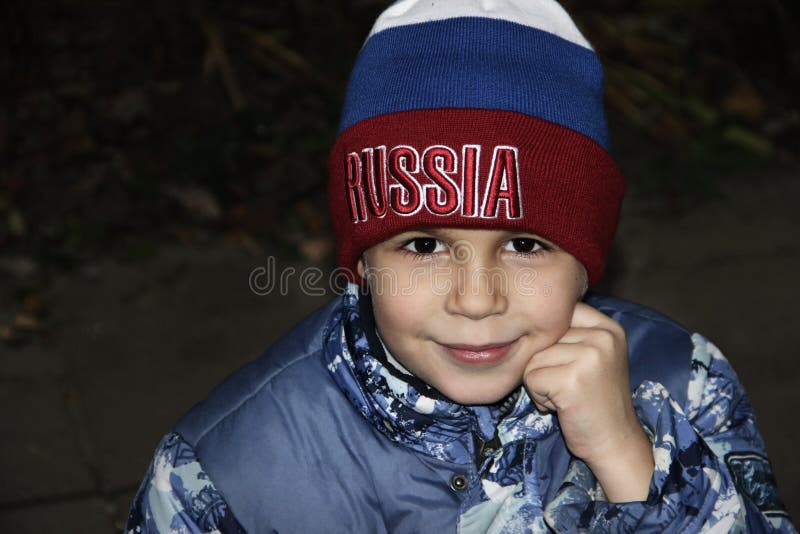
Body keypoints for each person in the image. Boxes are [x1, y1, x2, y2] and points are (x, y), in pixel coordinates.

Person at [126, 1, 795, 532]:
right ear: (361, 261)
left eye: (526, 244)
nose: (476, 300)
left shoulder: (679, 380)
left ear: (589, 263)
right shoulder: (225, 472)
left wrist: (632, 462)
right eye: (423, 244)